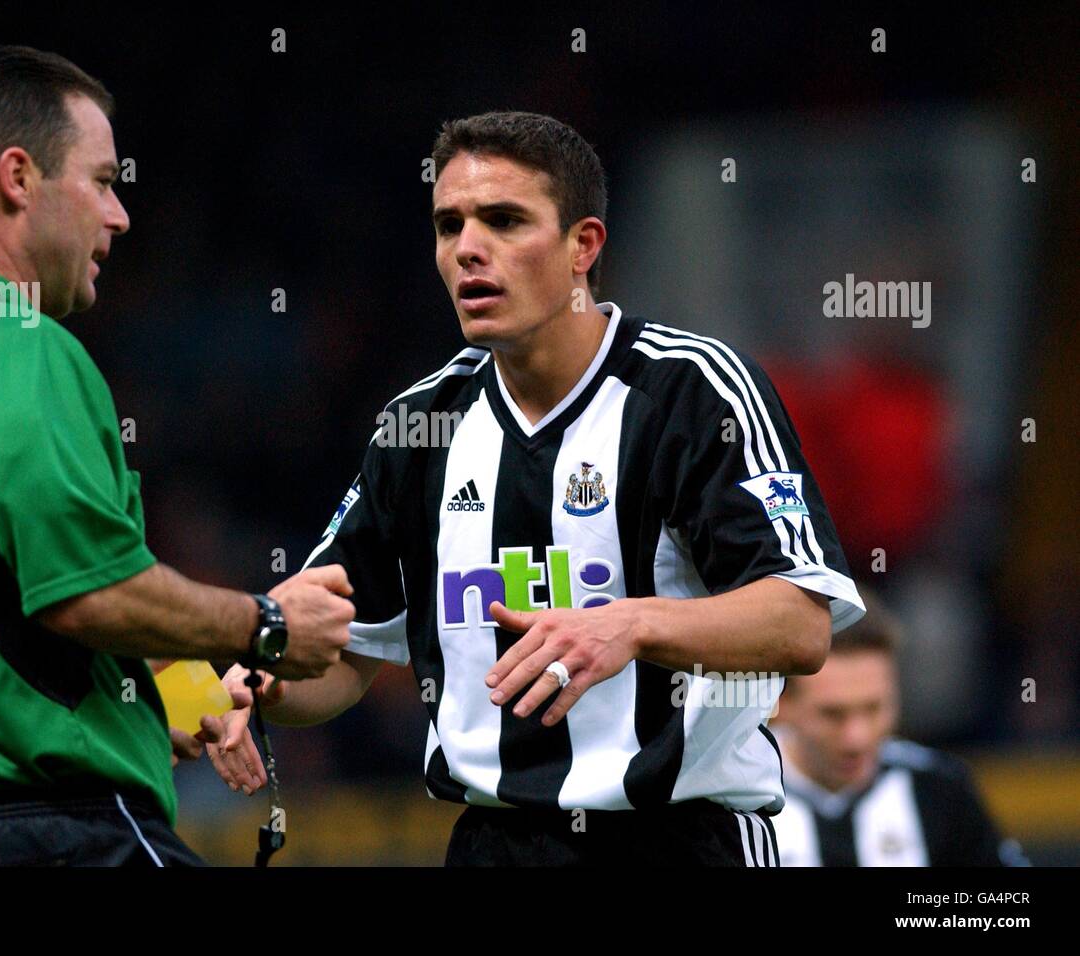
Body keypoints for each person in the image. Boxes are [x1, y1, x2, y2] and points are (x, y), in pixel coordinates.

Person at [205, 111, 866, 866]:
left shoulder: (692, 394)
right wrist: (265, 683)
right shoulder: (420, 426)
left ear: (583, 245)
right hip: (492, 843)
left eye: (504, 220)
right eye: (448, 225)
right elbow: (350, 655)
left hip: (678, 839)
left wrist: (630, 625)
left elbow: (800, 624)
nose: (468, 250)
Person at [0, 45, 353, 866]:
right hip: (59, 844)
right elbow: (84, 592)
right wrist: (264, 625)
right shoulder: (15, 341)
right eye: (103, 180)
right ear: (18, 177)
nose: (119, 215)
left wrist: (158, 698)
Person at [770, 588, 1028, 866]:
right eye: (832, 714)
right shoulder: (738, 799)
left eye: (874, 709)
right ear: (781, 702)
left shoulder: (940, 792)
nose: (857, 738)